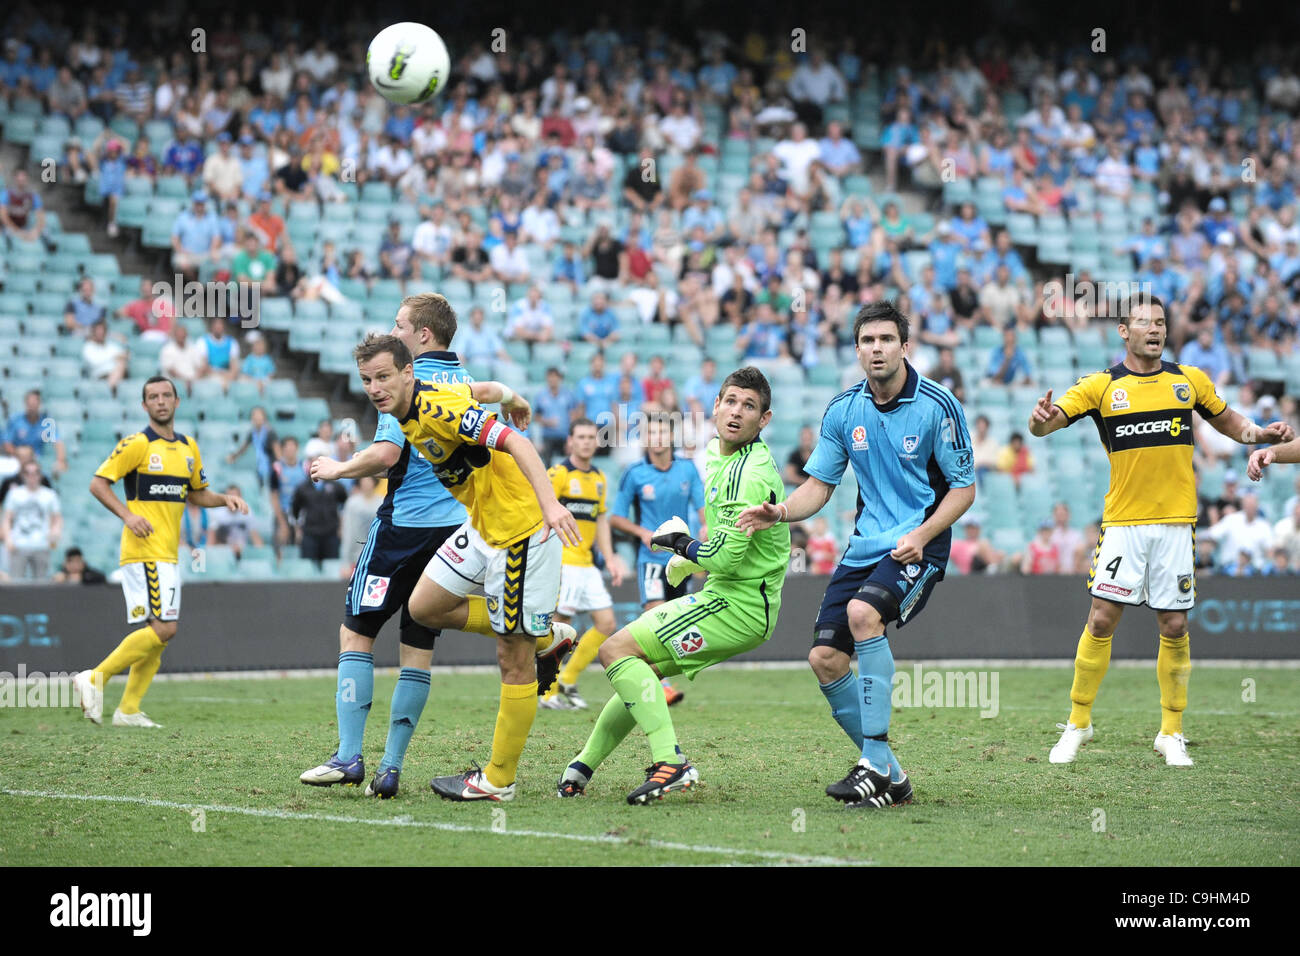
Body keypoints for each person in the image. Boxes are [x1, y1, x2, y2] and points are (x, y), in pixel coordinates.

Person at [1029, 294, 1294, 767]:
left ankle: (1171, 732)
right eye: (1144, 322)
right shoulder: (1100, 386)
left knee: (1174, 624)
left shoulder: (1188, 380)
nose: (1155, 329)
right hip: (1123, 525)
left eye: (1161, 322)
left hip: (1175, 524)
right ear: (1123, 331)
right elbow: (1045, 427)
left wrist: (1263, 435)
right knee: (1100, 619)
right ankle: (1078, 724)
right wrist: (1038, 422)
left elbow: (1234, 425)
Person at [737, 301, 976, 809]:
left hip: (920, 544)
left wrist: (925, 532)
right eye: (867, 341)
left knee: (863, 614)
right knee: (824, 659)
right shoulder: (844, 410)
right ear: (857, 350)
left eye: (886, 339)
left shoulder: (938, 405)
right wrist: (779, 512)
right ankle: (893, 777)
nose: (877, 349)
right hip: (866, 545)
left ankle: (872, 759)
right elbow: (818, 486)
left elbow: (963, 489)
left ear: (905, 347)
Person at [336, 333, 579, 802]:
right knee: (424, 606)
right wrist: (516, 396)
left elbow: (516, 443)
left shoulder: (437, 409)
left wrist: (550, 505)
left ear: (410, 372)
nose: (374, 388)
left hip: (523, 531)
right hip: (482, 528)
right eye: (367, 380)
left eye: (383, 377)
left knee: (513, 657)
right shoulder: (410, 408)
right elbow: (486, 391)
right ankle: (547, 634)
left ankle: (498, 780)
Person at [299, 296, 507, 798]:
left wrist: (338, 468)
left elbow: (389, 451)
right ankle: (390, 769)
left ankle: (349, 757)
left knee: (357, 634)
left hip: (404, 528)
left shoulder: (408, 385)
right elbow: (490, 390)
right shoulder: (460, 380)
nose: (393, 330)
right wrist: (512, 396)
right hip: (455, 531)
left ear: (423, 338)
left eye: (399, 325)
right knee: (417, 653)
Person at [558, 367, 791, 804]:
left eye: (749, 406)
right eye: (731, 401)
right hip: (733, 599)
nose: (737, 412)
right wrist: (688, 559)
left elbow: (725, 556)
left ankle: (671, 761)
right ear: (716, 405)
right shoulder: (717, 455)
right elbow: (724, 542)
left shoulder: (749, 473)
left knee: (614, 649)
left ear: (765, 419)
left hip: (736, 603)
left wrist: (681, 547)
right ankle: (584, 764)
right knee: (639, 669)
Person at [73, 377, 249, 729]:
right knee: (166, 628)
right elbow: (97, 483)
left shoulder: (188, 447)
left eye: (166, 395)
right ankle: (95, 678)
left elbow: (196, 493)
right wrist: (127, 514)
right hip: (143, 550)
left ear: (177, 401)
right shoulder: (136, 444)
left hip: (168, 553)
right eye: (152, 397)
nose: (160, 401)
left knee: (160, 634)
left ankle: (128, 710)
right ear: (144, 406)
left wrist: (223, 499)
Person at [607, 414, 707, 708]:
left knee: (675, 619)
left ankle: (653, 675)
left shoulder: (687, 469)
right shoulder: (635, 473)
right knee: (654, 614)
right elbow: (616, 517)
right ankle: (660, 685)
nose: (658, 437)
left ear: (671, 437)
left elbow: (702, 508)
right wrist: (641, 532)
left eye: (664, 431)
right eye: (653, 432)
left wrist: (705, 527)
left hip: (681, 559)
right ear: (646, 438)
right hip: (650, 558)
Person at [539, 419, 630, 710]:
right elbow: (542, 511)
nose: (587, 441)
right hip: (564, 561)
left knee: (606, 623)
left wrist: (611, 557)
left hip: (588, 564)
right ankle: (547, 691)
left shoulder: (601, 477)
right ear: (570, 441)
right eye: (581, 436)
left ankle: (568, 677)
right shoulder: (559, 473)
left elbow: (600, 519)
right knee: (560, 625)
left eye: (592, 437)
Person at [2, 459, 61, 580]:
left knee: (41, 583)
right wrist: (8, 538)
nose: (32, 476)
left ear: (40, 475)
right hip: (19, 544)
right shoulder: (14, 494)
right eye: (28, 473)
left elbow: (57, 518)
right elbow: (7, 518)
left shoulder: (50, 495)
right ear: (23, 475)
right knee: (16, 582)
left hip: (42, 544)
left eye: (35, 473)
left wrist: (55, 532)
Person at [4, 390, 68, 476]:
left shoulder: (47, 422)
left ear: (39, 404)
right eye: (29, 403)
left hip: (38, 459)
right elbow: (7, 444)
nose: (32, 406)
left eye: (34, 403)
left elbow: (57, 442)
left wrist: (61, 460)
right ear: (25, 404)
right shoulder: (15, 420)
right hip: (17, 458)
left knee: (59, 468)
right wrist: (20, 454)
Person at [534, 367, 579, 465]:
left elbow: (573, 416)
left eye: (555, 377)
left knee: (569, 462)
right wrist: (547, 422)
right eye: (550, 377)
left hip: (564, 435)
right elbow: (536, 417)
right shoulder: (541, 396)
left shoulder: (567, 395)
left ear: (559, 379)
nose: (552, 380)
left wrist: (571, 436)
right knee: (547, 462)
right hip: (548, 436)